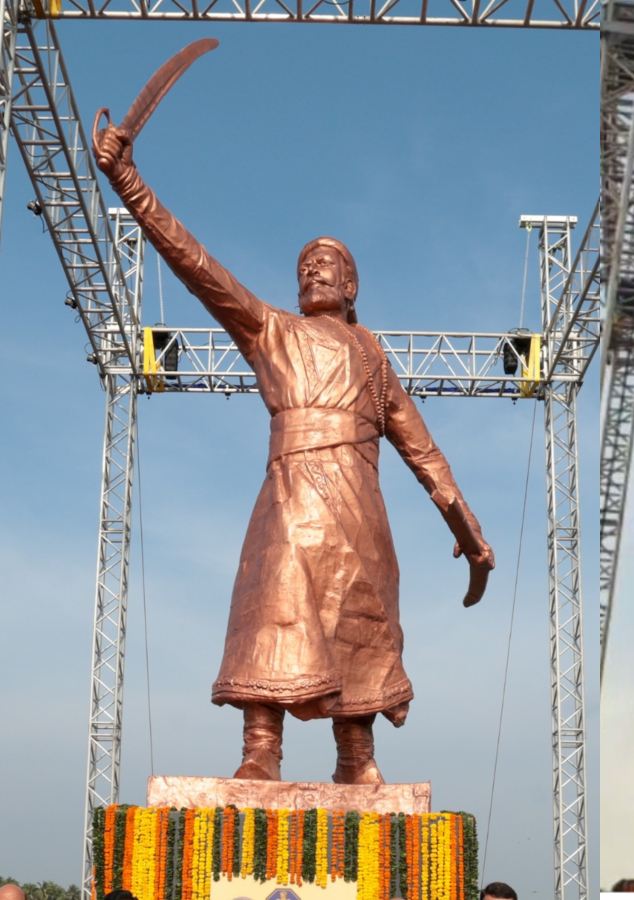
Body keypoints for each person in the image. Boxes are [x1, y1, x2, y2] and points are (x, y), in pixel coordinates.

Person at [92, 121, 495, 785]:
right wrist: (127, 180)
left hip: (359, 510)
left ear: (352, 286)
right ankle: (260, 751)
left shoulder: (374, 360)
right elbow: (194, 264)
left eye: (327, 262)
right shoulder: (269, 329)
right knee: (271, 609)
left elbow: (426, 454)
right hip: (289, 497)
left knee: (359, 623)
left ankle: (357, 759)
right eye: (305, 263)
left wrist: (469, 535)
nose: (313, 268)